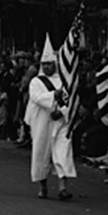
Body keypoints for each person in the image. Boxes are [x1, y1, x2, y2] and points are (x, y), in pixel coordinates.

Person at [27, 36, 76, 200]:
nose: (47, 66)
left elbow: (70, 100)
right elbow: (36, 98)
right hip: (42, 122)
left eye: (49, 63)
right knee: (42, 154)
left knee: (62, 152)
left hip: (60, 123)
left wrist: (62, 111)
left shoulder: (64, 81)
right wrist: (53, 95)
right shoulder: (36, 82)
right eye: (44, 64)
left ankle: (63, 188)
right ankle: (43, 187)